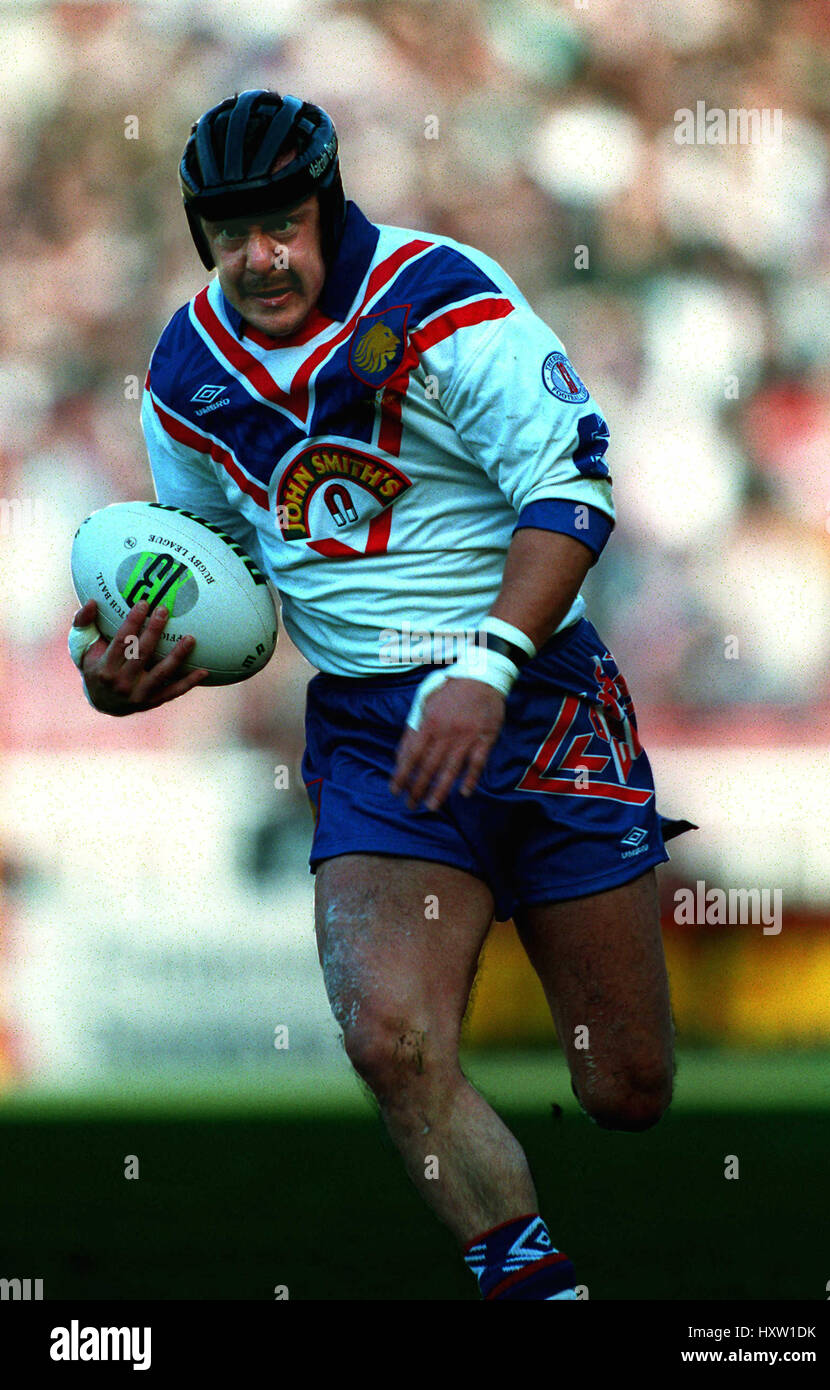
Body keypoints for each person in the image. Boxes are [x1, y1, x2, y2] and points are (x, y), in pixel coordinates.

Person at [69, 90, 693, 1301]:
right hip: (369, 733)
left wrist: (484, 667)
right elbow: (215, 591)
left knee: (625, 1088)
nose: (260, 256)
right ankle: (535, 1291)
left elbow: (575, 491)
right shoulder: (185, 374)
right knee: (385, 1037)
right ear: (201, 230)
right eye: (231, 230)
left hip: (539, 694)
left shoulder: (439, 297)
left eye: (283, 224)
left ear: (328, 205)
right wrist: (128, 675)